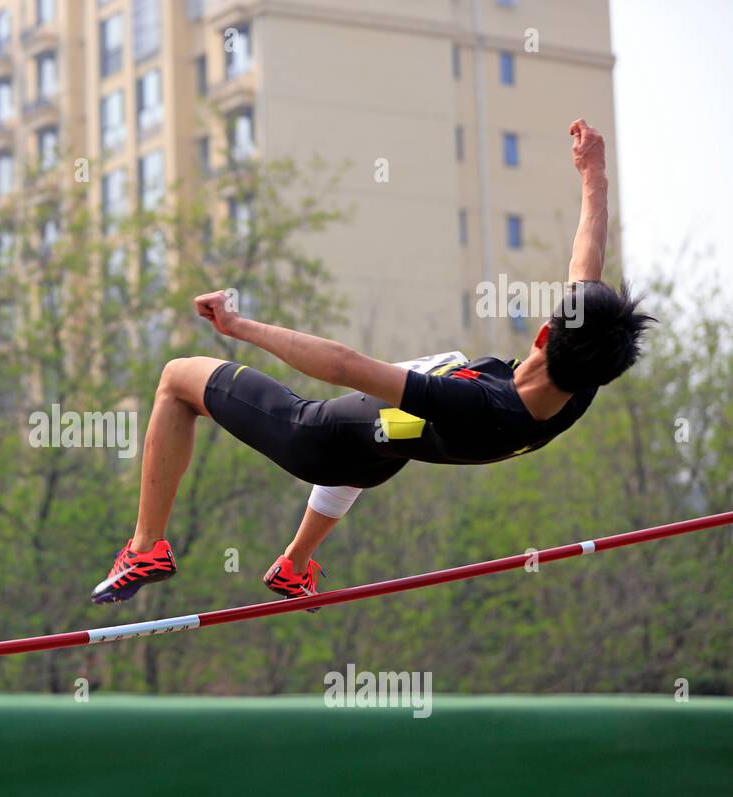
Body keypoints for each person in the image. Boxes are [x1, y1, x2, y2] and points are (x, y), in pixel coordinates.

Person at [91, 119, 655, 606]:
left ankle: (145, 549)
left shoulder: (477, 401)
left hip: (315, 439)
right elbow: (589, 257)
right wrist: (592, 173)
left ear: (541, 333)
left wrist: (238, 326)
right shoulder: (585, 377)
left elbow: (340, 364)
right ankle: (293, 565)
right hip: (387, 451)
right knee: (403, 403)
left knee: (175, 381)